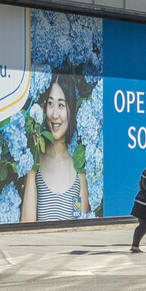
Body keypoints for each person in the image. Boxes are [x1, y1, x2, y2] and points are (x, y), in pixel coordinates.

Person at [26, 69, 92, 221]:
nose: (54, 114)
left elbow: (78, 223)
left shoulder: (78, 170)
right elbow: (26, 227)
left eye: (61, 105)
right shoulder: (36, 164)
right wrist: (32, 167)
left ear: (70, 110)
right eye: (50, 103)